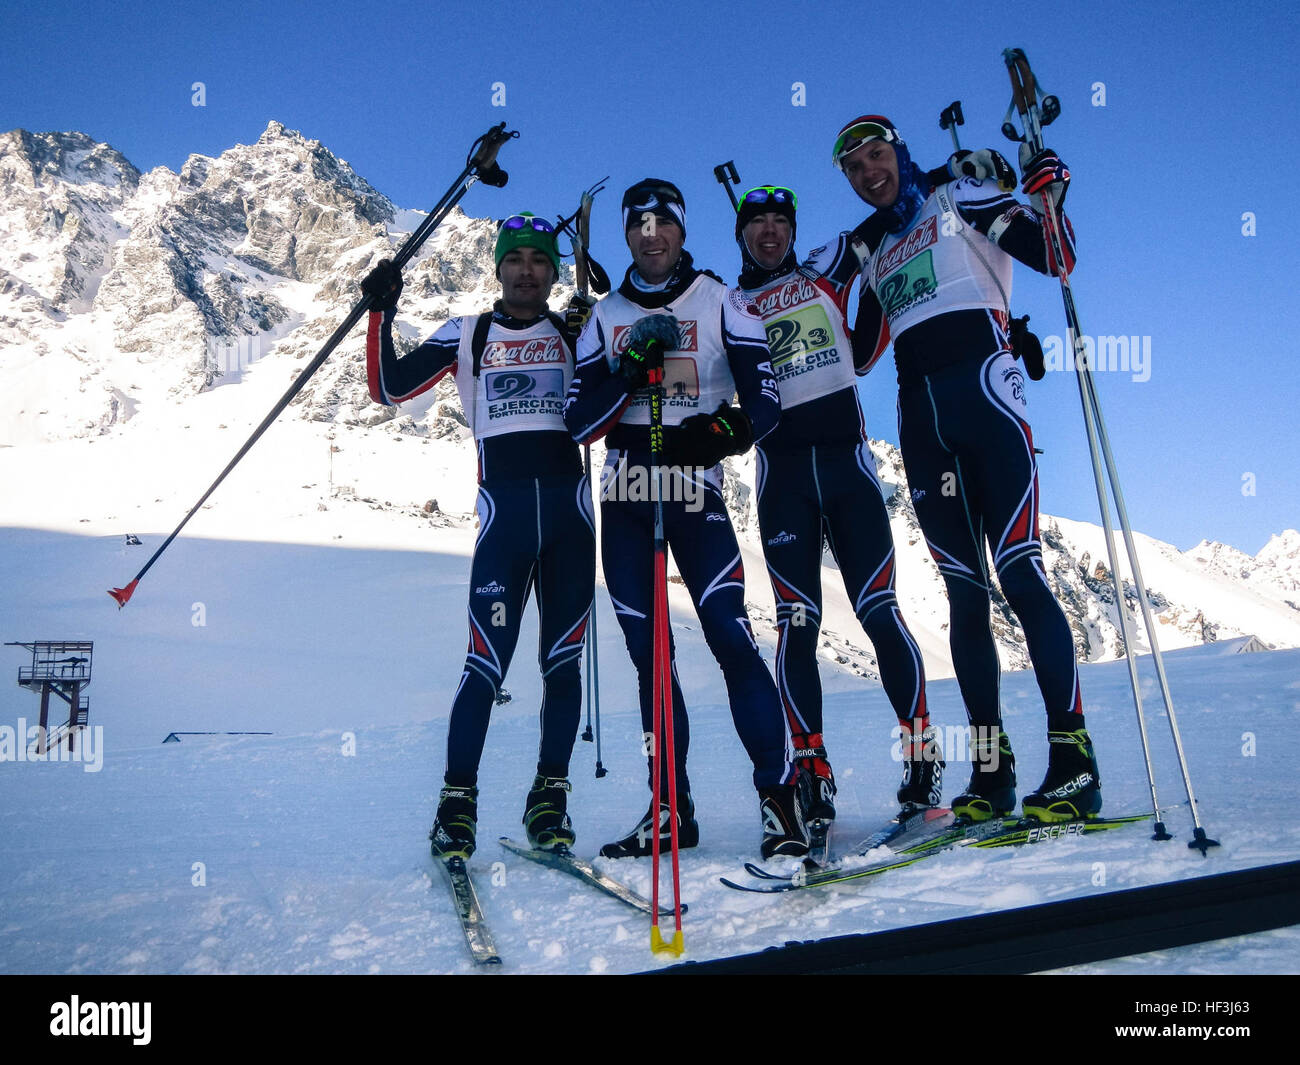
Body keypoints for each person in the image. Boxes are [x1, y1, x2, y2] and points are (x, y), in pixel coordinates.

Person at [831, 114, 1100, 822]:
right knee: (962, 594)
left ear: (899, 153)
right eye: (854, 168)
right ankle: (992, 770)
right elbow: (860, 355)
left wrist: (1051, 192)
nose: (869, 173)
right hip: (921, 429)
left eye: (877, 156)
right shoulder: (875, 248)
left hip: (986, 403)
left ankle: (1074, 763)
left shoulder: (959, 198)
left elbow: (1056, 257)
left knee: (1020, 569)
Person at [563, 178, 808, 860]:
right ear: (627, 235)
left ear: (680, 229)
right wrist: (627, 372)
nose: (650, 235)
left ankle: (780, 798)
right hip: (628, 494)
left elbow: (767, 396)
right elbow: (579, 421)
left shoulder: (719, 298)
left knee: (731, 638)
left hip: (693, 488)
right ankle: (670, 807)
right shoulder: (605, 316)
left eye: (662, 222)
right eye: (637, 225)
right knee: (651, 659)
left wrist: (721, 432)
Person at [363, 212, 596, 859]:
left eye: (540, 260)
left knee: (563, 664)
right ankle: (455, 803)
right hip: (505, 521)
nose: (527, 270)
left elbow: (609, 407)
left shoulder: (577, 330)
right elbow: (388, 387)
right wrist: (381, 309)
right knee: (483, 666)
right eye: (515, 258)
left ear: (553, 271)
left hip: (572, 524)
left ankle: (549, 799)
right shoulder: (469, 334)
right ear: (497, 267)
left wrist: (598, 336)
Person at [731, 184, 940, 833]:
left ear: (792, 229)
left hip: (848, 466)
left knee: (880, 610)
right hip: (782, 477)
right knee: (798, 623)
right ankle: (811, 768)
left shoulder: (826, 264)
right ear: (741, 235)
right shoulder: (729, 306)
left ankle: (922, 753)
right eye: (755, 222)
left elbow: (884, 217)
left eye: (778, 220)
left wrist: (941, 173)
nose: (768, 230)